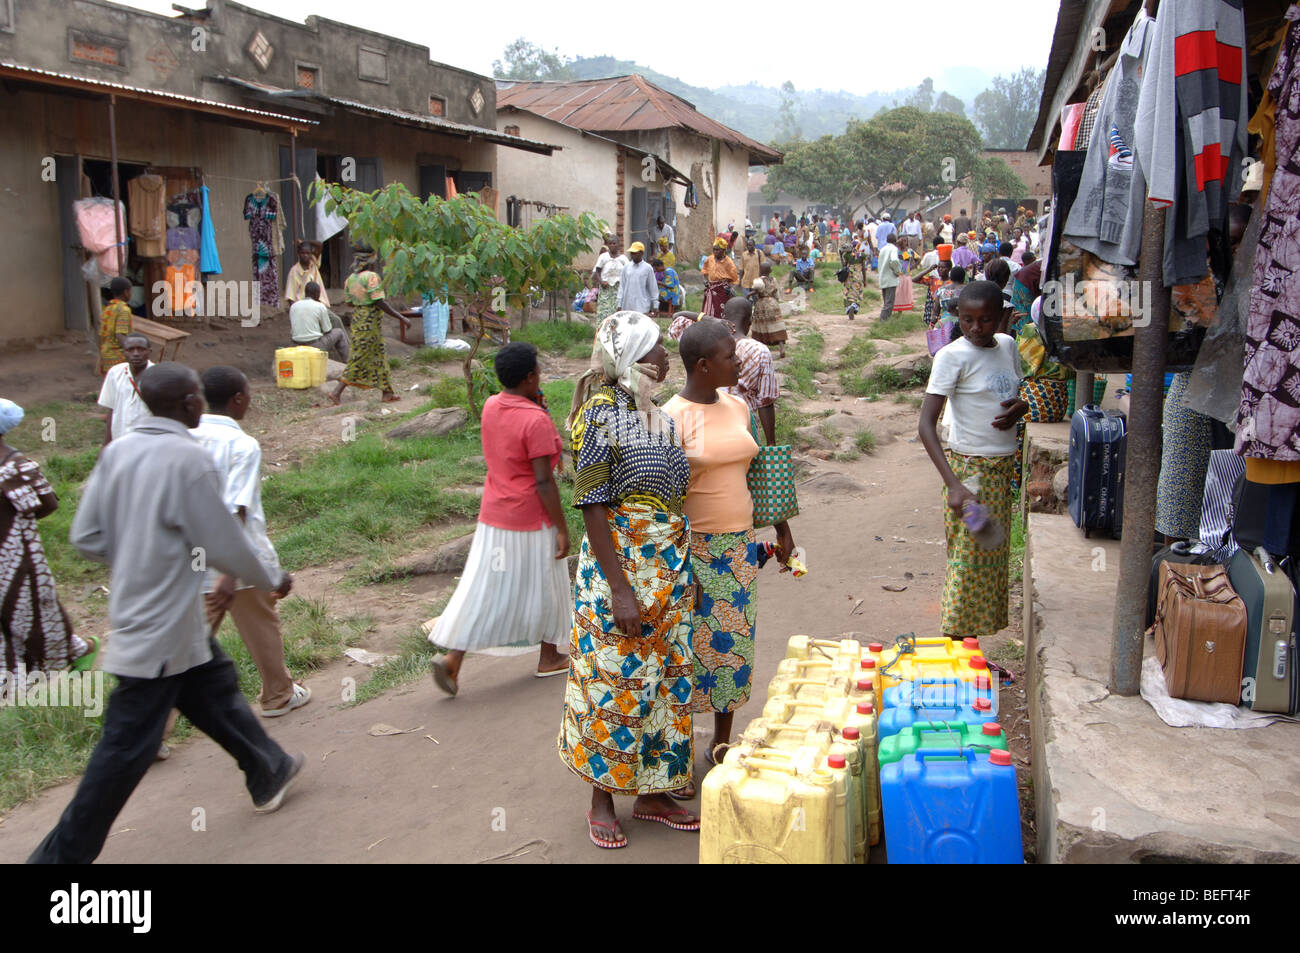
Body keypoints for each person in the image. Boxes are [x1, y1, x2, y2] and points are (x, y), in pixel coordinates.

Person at [28, 364, 304, 864]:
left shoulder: (118, 451)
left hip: (146, 608)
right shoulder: (186, 457)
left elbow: (86, 537)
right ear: (188, 404)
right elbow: (225, 541)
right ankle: (57, 859)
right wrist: (269, 576)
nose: (202, 403)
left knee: (212, 686)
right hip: (160, 626)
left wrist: (139, 548)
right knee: (121, 753)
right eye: (197, 396)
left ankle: (269, 768)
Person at [559, 311, 697, 848]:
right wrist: (619, 588)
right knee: (613, 683)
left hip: (667, 570)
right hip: (619, 572)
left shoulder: (654, 413)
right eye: (656, 349)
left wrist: (683, 570)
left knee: (664, 680)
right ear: (630, 359)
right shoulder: (598, 415)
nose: (666, 358)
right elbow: (592, 504)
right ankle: (601, 798)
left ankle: (654, 791)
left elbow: (674, 495)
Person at [663, 318, 796, 793]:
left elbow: (759, 475)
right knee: (684, 653)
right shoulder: (669, 418)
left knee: (732, 649)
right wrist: (677, 562)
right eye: (729, 356)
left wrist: (783, 531)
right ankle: (674, 760)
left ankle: (721, 742)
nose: (739, 361)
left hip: (737, 547)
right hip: (690, 549)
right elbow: (664, 500)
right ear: (702, 365)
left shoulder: (737, 406)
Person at [428, 342, 571, 694]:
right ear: (529, 378)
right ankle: (550, 656)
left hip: (494, 515)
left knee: (486, 588)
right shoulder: (534, 419)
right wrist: (562, 528)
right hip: (530, 517)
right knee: (548, 585)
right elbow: (542, 480)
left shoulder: (492, 404)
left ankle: (454, 659)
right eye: (537, 371)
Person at [191, 366, 308, 717]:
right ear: (238, 399)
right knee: (259, 626)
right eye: (249, 396)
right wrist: (231, 569)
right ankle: (278, 696)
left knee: (190, 643)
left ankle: (153, 731)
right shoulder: (241, 444)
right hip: (234, 558)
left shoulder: (182, 437)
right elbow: (236, 511)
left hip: (188, 556)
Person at [917, 282, 1028, 642]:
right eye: (967, 320)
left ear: (1002, 318)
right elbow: (925, 425)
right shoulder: (952, 356)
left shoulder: (1009, 346)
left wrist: (1020, 407)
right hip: (971, 476)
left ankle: (970, 648)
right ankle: (955, 647)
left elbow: (1012, 391)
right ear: (958, 317)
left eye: (986, 320)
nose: (976, 328)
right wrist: (954, 484)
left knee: (991, 562)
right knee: (968, 563)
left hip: (1002, 471)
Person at [0, 399, 96, 692]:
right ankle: (15, 678)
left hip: (17, 556)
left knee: (25, 614)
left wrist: (18, 524)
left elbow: (48, 503)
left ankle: (78, 650)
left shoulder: (18, 466)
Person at [330, 246, 411, 406]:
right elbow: (379, 302)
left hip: (358, 318)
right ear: (371, 261)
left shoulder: (350, 279)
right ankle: (336, 392)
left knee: (379, 356)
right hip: (370, 321)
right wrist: (401, 317)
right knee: (358, 357)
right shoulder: (372, 277)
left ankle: (387, 392)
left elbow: (348, 302)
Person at [721, 297, 780, 442]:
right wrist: (771, 443)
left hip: (709, 426)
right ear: (750, 321)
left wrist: (709, 320)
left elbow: (678, 319)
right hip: (745, 429)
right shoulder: (759, 350)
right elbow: (765, 401)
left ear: (722, 317)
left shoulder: (708, 343)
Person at [98, 332, 154, 445]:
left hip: (148, 443)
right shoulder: (115, 373)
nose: (136, 354)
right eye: (130, 350)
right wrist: (106, 445)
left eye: (141, 349)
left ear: (149, 352)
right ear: (123, 352)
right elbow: (111, 410)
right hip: (120, 440)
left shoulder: (158, 375)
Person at [289, 281, 350, 363]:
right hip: (314, 346)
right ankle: (349, 362)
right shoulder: (320, 306)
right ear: (316, 294)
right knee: (339, 332)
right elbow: (327, 330)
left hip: (296, 344)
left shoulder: (293, 306)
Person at [750, 264, 787, 358]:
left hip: (762, 303)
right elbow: (777, 293)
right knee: (776, 325)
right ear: (770, 271)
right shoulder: (773, 280)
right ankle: (782, 347)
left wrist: (748, 295)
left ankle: (760, 351)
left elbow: (756, 291)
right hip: (773, 303)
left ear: (761, 270)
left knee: (761, 325)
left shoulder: (759, 281)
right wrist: (776, 302)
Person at [99, 277, 134, 374]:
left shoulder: (108, 309)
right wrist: (131, 354)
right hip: (118, 359)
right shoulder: (123, 310)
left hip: (106, 356)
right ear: (126, 292)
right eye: (131, 291)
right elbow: (120, 335)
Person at [283, 240, 329, 307]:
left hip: (319, 305)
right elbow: (290, 297)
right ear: (298, 253)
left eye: (308, 253)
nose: (305, 255)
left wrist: (304, 242)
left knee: (335, 318)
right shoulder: (294, 271)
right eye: (303, 253)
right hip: (303, 307)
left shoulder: (314, 264)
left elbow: (320, 245)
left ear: (311, 254)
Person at [701, 237, 739, 318]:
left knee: (721, 311)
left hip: (722, 290)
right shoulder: (710, 259)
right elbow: (704, 270)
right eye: (714, 249)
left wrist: (731, 289)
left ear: (723, 250)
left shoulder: (729, 263)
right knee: (707, 311)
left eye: (717, 250)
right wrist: (705, 280)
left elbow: (735, 279)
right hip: (711, 288)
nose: (715, 252)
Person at [618, 241, 658, 314]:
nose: (632, 255)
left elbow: (653, 287)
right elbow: (622, 286)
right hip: (627, 305)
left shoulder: (648, 268)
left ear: (641, 253)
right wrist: (619, 303)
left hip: (642, 306)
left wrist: (655, 305)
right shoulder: (626, 267)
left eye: (635, 253)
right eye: (631, 253)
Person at [595, 239, 628, 321]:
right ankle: (602, 331)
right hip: (605, 288)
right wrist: (601, 282)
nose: (612, 245)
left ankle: (615, 331)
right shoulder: (603, 257)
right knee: (604, 311)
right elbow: (597, 271)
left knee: (617, 311)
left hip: (618, 289)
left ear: (618, 245)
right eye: (610, 243)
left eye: (614, 243)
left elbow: (628, 273)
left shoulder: (623, 258)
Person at [840, 232, 868, 320]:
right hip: (858, 276)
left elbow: (844, 266)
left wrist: (841, 256)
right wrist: (865, 280)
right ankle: (854, 305)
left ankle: (849, 307)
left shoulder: (847, 255)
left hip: (849, 275)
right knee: (858, 292)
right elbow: (863, 268)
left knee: (848, 292)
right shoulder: (861, 255)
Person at [877, 230, 903, 321]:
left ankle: (886, 320)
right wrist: (897, 271)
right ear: (895, 241)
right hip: (891, 279)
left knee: (886, 301)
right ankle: (883, 320)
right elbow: (894, 261)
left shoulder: (882, 249)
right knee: (889, 302)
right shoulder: (893, 249)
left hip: (882, 277)